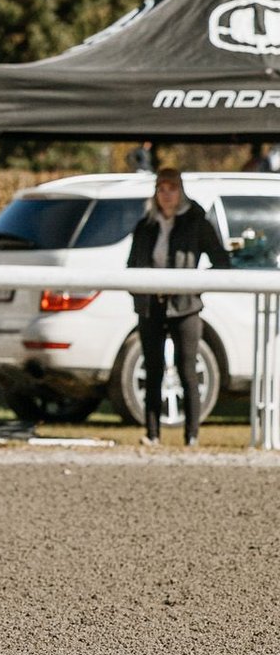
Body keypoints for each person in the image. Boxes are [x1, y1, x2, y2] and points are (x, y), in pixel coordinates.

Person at [126, 167, 233, 446]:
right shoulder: (145, 225)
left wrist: (194, 286)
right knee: (153, 369)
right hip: (151, 306)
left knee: (188, 370)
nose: (167, 195)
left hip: (185, 306)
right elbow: (131, 266)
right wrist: (140, 292)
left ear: (181, 191)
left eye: (172, 189)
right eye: (162, 189)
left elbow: (220, 260)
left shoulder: (196, 222)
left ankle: (192, 436)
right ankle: (152, 434)